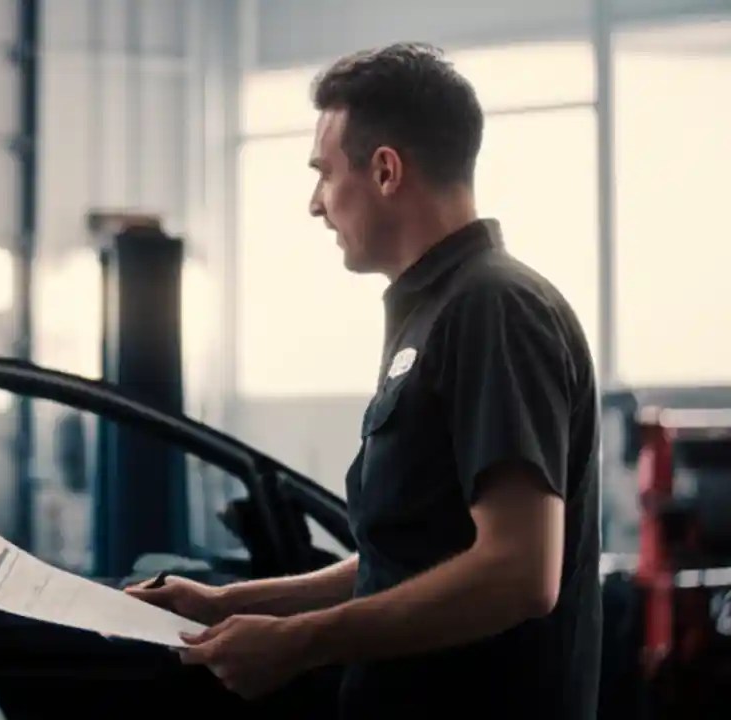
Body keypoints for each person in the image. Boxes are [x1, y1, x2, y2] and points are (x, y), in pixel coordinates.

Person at [128, 42, 602, 719]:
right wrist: (226, 603)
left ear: (385, 171)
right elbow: (407, 564)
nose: (315, 204)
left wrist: (297, 644)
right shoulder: (440, 312)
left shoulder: (494, 308)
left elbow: (518, 574)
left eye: (324, 173)